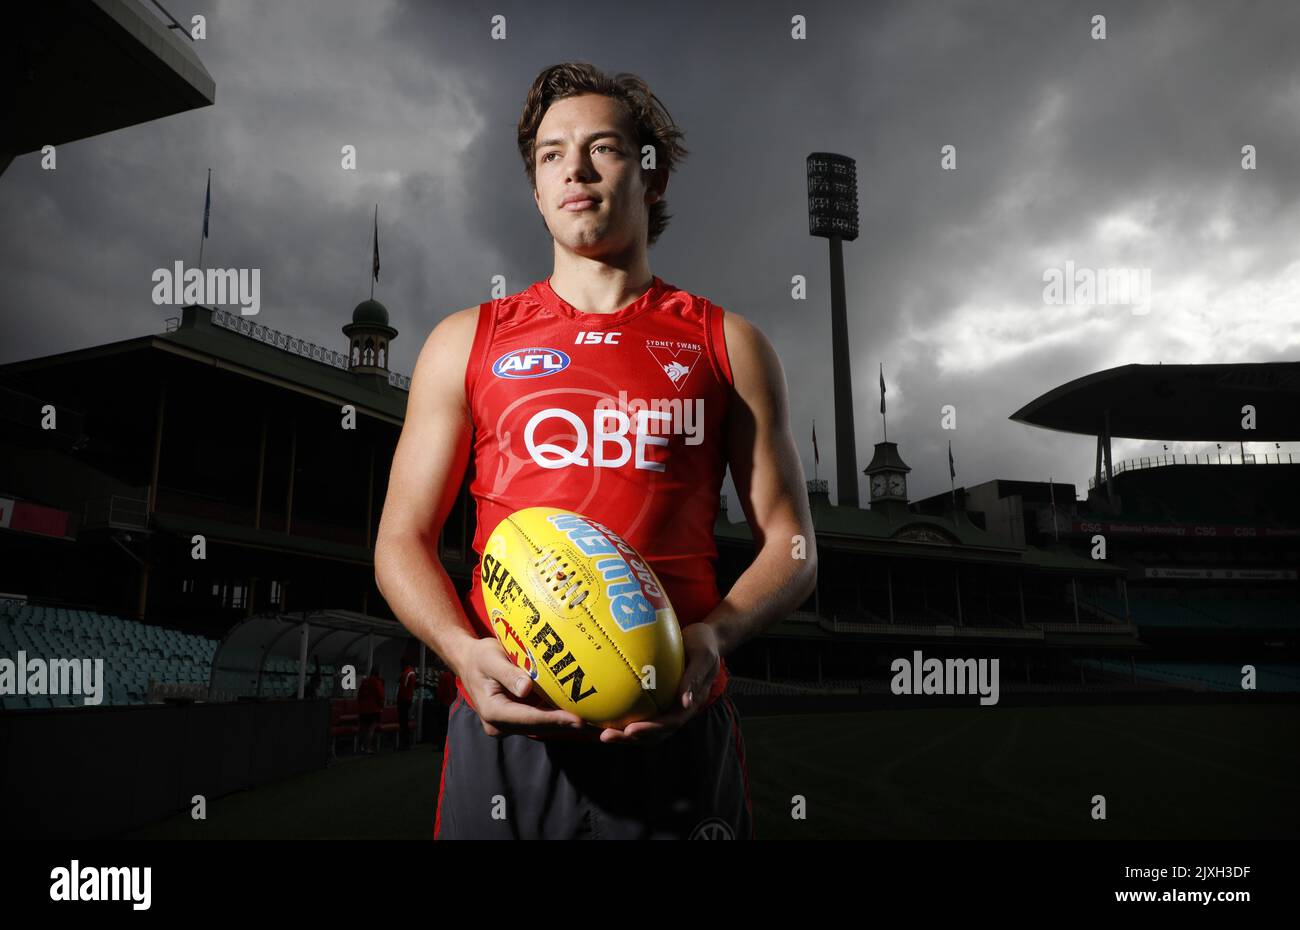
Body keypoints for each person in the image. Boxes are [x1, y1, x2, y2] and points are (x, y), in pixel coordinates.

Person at [374, 62, 816, 839]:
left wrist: (716, 635)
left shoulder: (728, 344)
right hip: (509, 738)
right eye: (550, 155)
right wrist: (457, 650)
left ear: (653, 174)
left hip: (675, 733)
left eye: (602, 147)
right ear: (537, 187)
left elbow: (794, 543)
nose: (573, 168)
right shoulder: (464, 342)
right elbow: (399, 540)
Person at [357, 666, 385, 754]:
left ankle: (361, 747)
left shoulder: (364, 681)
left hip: (363, 709)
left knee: (364, 729)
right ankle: (367, 748)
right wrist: (381, 705)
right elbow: (380, 695)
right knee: (371, 729)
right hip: (374, 709)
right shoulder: (377, 682)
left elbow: (359, 695)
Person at [397, 662, 417, 750]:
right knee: (405, 722)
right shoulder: (411, 673)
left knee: (403, 722)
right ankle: (406, 743)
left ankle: (405, 743)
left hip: (404, 700)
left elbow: (403, 688)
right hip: (408, 699)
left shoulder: (406, 674)